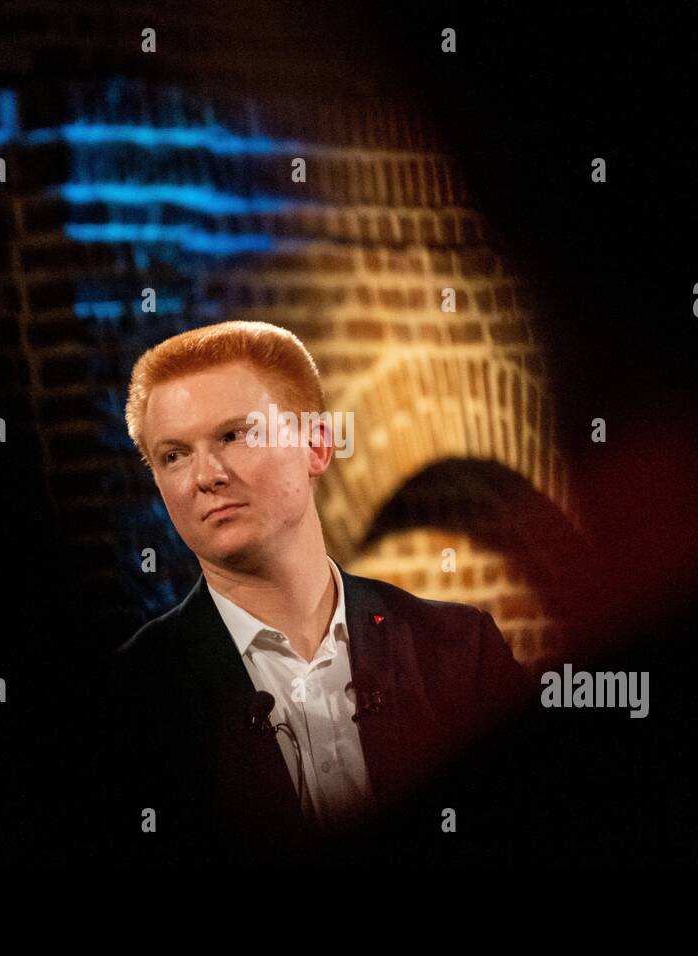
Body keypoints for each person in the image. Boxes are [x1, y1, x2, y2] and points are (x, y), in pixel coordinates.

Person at [102, 320, 535, 864]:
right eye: (174, 455)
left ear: (317, 444)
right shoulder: (128, 701)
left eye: (234, 436)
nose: (205, 476)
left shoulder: (461, 650)